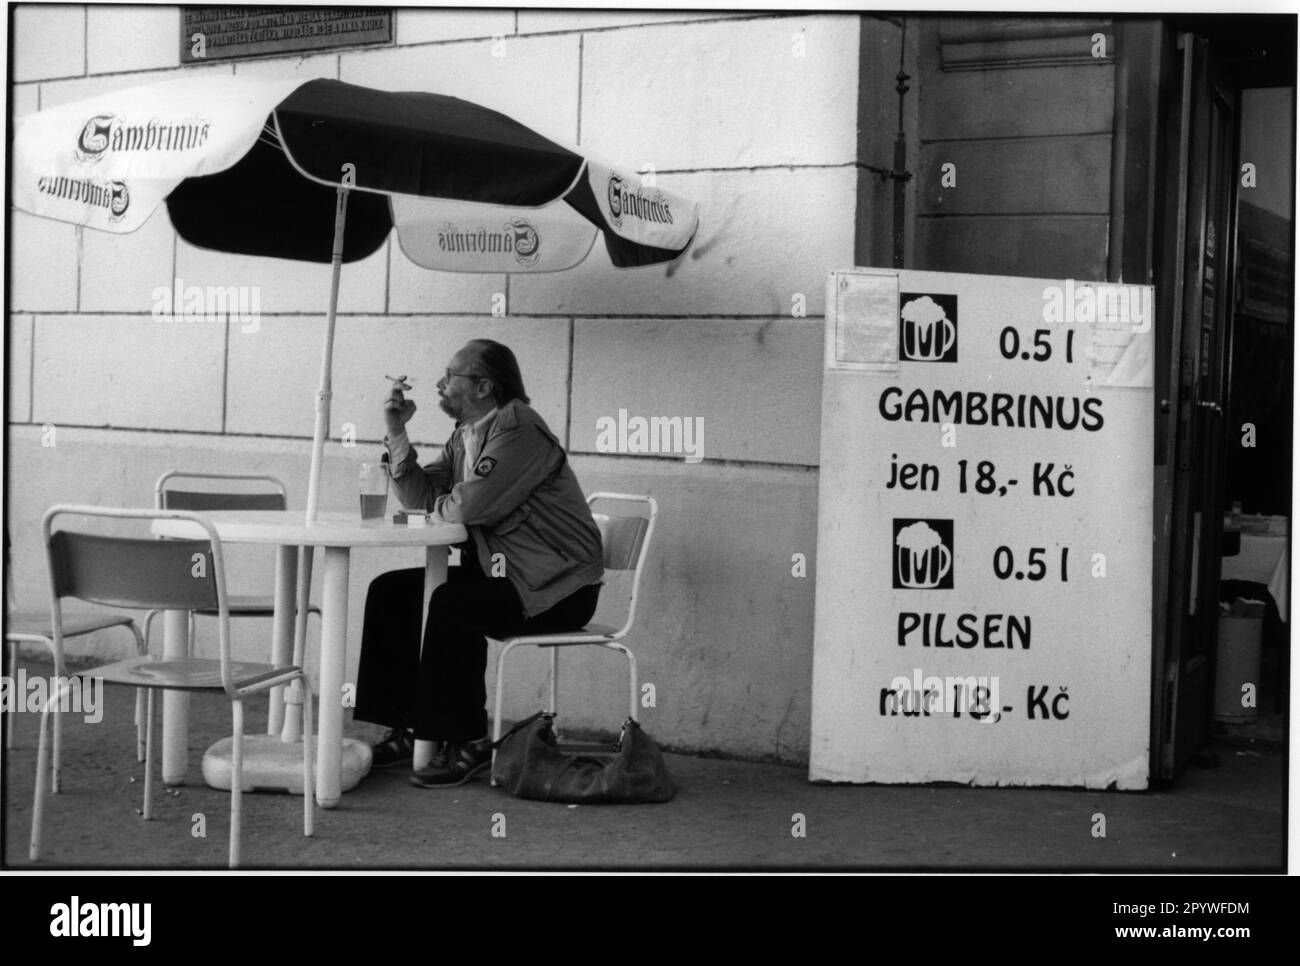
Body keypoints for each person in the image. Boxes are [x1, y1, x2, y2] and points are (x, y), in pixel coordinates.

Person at [354, 339, 604, 787]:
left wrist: (444, 504)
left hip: (558, 588)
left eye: (451, 376)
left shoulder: (520, 430)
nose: (439, 383)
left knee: (453, 602)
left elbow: (469, 508)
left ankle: (467, 739)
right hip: (504, 575)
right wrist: (396, 429)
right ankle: (408, 727)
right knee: (392, 590)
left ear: (484, 386)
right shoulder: (466, 436)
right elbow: (421, 498)